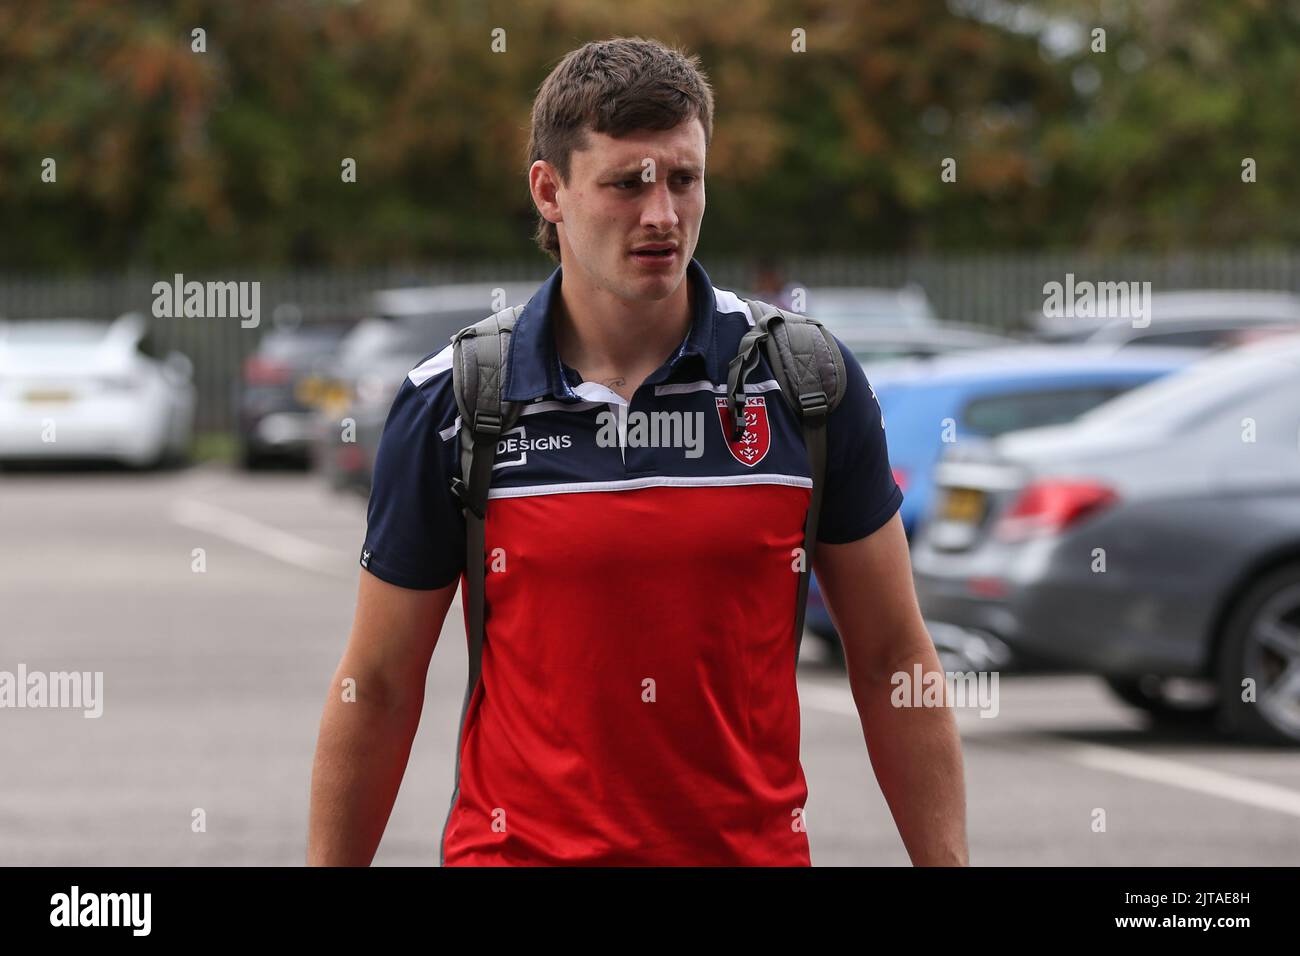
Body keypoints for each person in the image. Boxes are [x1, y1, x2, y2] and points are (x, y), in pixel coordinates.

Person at [307, 36, 968, 867]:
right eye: (627, 183)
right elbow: (380, 686)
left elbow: (890, 660)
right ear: (550, 191)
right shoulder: (455, 400)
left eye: (683, 179)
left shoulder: (808, 381)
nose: (662, 215)